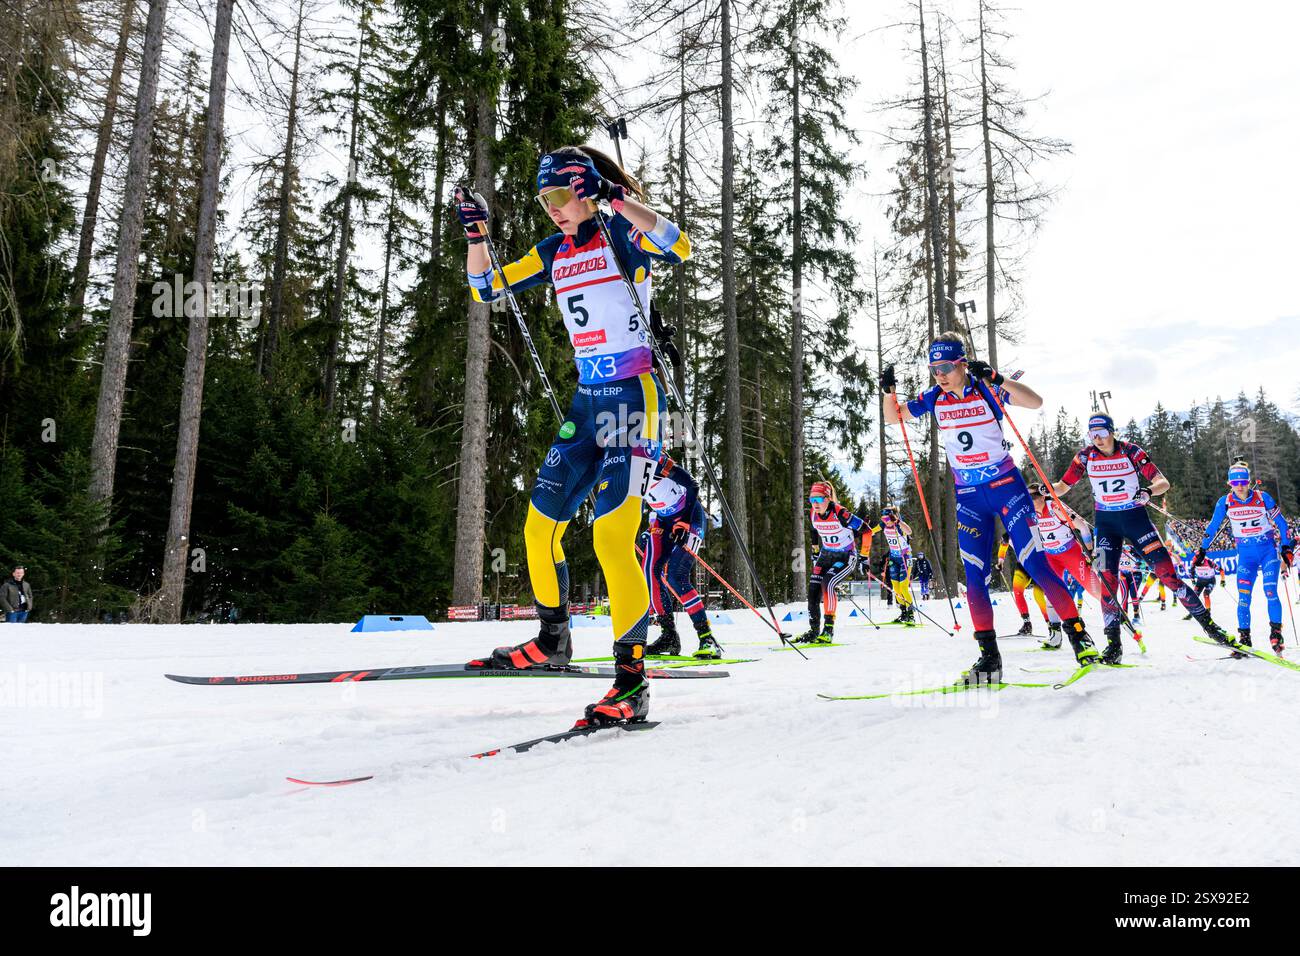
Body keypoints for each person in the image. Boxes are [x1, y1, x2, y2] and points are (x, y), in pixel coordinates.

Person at [457, 145, 692, 726]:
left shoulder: (620, 235)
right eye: (545, 200)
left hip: (634, 398)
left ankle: (631, 682)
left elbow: (678, 244)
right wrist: (476, 233)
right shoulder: (554, 251)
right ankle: (551, 639)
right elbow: (486, 288)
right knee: (540, 526)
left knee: (613, 535)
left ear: (586, 191)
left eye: (561, 196)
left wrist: (617, 198)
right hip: (587, 404)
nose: (554, 209)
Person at [882, 332, 1098, 683]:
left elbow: (1035, 401)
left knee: (1035, 563)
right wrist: (886, 392)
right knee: (975, 579)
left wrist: (997, 377)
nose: (940, 374)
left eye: (947, 367)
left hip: (1006, 488)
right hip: (968, 497)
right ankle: (989, 659)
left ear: (962, 364)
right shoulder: (934, 397)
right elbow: (894, 418)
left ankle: (1079, 636)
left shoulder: (985, 388)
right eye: (934, 368)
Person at [1053, 412, 1232, 664]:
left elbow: (1163, 482)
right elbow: (1062, 486)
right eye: (1093, 435)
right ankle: (1113, 645)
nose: (1098, 439)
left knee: (1169, 577)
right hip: (1106, 525)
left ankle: (1212, 628)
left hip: (1136, 520)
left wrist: (1148, 491)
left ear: (1112, 431)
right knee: (1107, 583)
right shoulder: (1085, 456)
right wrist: (1045, 490)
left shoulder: (1131, 451)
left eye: (1102, 434)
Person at [1197, 462, 1294, 655]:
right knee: (1243, 598)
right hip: (1246, 557)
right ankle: (1245, 639)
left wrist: (1285, 547)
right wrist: (1202, 550)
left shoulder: (1262, 497)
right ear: (1229, 483)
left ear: (1249, 482)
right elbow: (1213, 527)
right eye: (1235, 482)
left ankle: (1276, 634)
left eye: (1243, 481)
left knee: (1270, 592)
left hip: (1267, 553)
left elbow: (1282, 524)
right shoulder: (1224, 502)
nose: (1239, 486)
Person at [640, 452, 722, 660]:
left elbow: (693, 485)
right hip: (662, 519)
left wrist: (684, 522)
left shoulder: (655, 460)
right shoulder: (626, 468)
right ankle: (668, 635)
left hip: (690, 515)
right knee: (649, 570)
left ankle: (707, 638)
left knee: (677, 576)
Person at [1027, 484, 1106, 650]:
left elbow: (1082, 527)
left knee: (1094, 589)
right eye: (1029, 498)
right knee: (1051, 592)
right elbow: (1036, 537)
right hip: (1050, 556)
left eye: (1034, 497)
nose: (1031, 501)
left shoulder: (1056, 506)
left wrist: (1090, 550)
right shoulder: (1030, 512)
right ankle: (1055, 635)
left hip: (1070, 553)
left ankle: (1115, 619)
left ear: (1042, 496)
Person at [798, 481, 868, 644]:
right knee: (813, 590)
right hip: (826, 554)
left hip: (846, 556)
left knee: (827, 582)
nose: (815, 503)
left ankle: (828, 630)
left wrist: (865, 557)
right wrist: (815, 551)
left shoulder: (840, 513)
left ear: (828, 499)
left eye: (819, 499)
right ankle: (814, 631)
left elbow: (867, 530)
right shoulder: (813, 514)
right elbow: (814, 530)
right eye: (812, 499)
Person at [863, 505, 916, 623]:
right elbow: (871, 532)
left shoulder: (899, 525)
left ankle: (911, 613)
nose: (885, 522)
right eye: (883, 519)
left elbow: (909, 531)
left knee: (903, 587)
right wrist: (865, 526)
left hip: (905, 558)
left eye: (887, 519)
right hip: (893, 558)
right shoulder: (883, 525)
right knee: (896, 589)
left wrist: (897, 520)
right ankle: (903, 613)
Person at [999, 529, 1050, 636]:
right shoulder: (1009, 534)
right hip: (1022, 566)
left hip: (1039, 566)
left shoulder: (1034, 529)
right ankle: (1027, 624)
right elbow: (1003, 546)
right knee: (1017, 591)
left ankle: (1051, 624)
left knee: (1038, 595)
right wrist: (1000, 561)